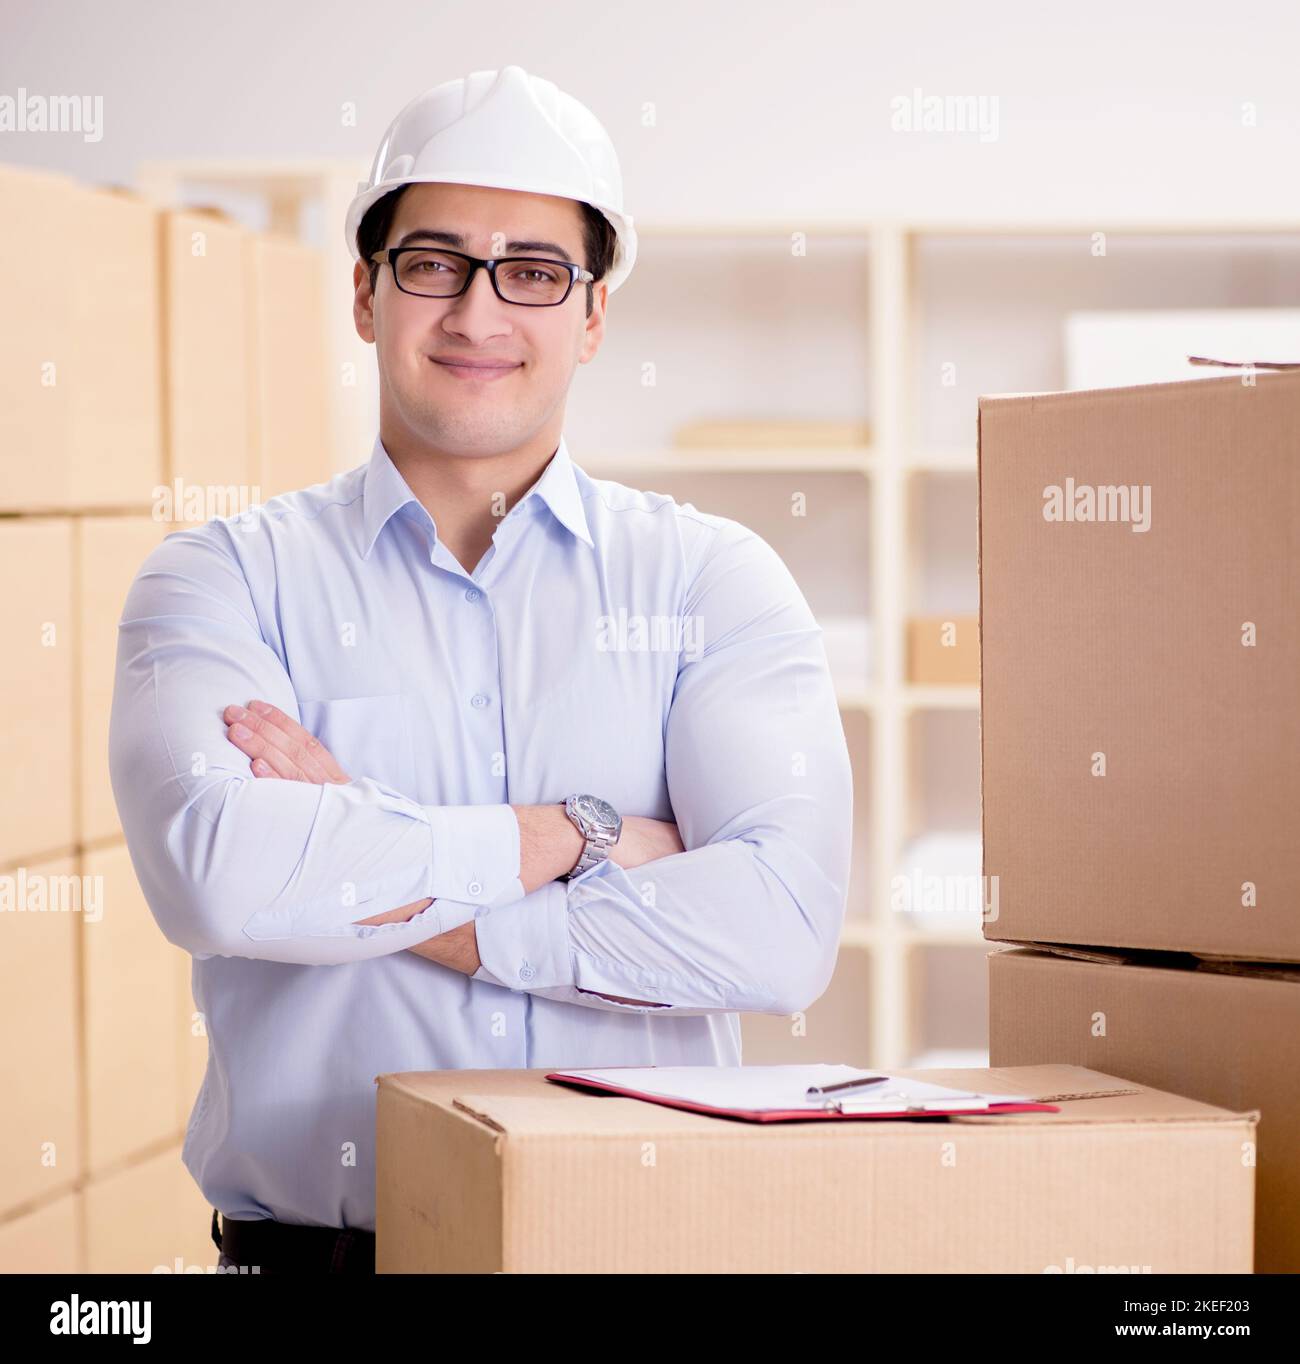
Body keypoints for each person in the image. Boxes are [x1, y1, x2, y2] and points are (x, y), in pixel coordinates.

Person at [109, 64, 853, 1274]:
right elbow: (221, 882)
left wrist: (391, 877)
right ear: (365, 292)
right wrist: (577, 831)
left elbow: (778, 931)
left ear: (594, 315)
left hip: (648, 1250)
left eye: (534, 272)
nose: (477, 314)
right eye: (433, 262)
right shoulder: (219, 580)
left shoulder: (712, 582)